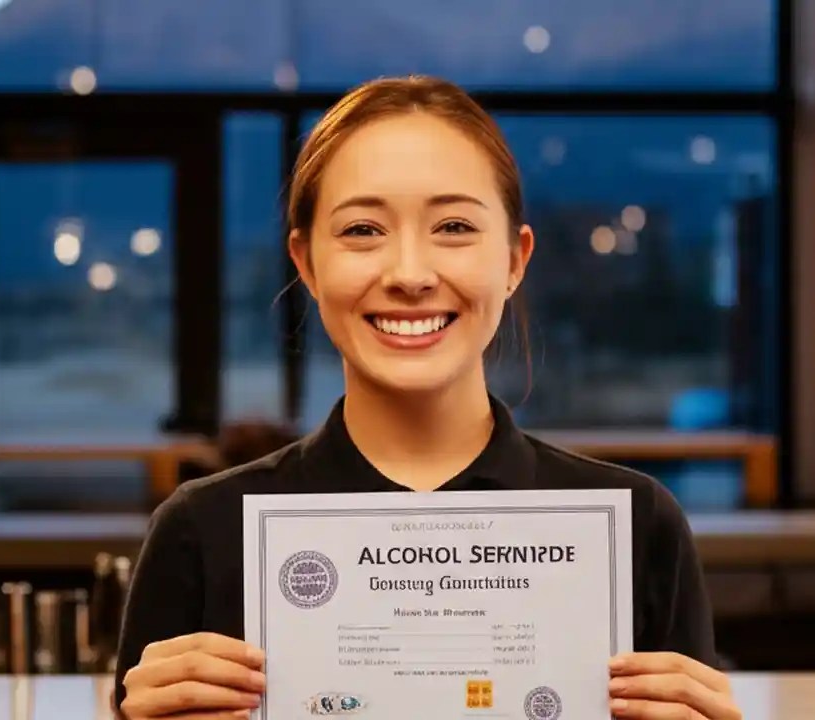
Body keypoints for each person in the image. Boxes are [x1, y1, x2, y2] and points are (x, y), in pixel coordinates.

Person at [114, 75, 741, 720]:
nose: (410, 274)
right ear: (306, 262)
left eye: (453, 226)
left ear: (514, 259)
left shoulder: (639, 527)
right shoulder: (201, 530)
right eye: (362, 230)